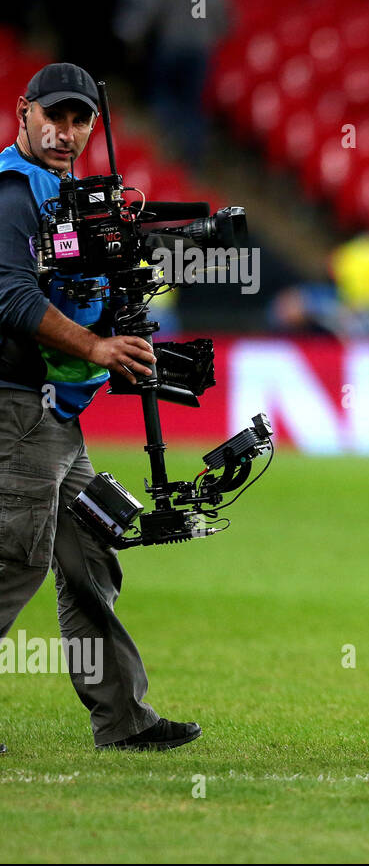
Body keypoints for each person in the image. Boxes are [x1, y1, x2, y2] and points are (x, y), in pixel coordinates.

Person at [0, 63, 201, 753]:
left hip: (53, 415)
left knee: (91, 557)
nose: (66, 132)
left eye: (80, 119)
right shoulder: (12, 193)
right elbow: (12, 299)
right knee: (13, 559)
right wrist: (97, 346)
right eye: (53, 116)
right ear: (23, 113)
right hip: (15, 406)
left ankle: (123, 720)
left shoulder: (73, 194)